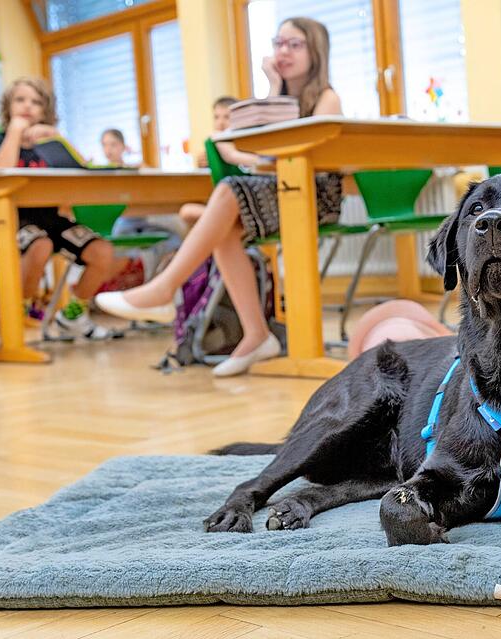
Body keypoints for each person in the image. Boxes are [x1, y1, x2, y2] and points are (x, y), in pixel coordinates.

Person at [98, 17, 343, 376]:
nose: (283, 51)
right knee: (226, 231)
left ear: (315, 52)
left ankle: (165, 289)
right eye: (279, 43)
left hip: (313, 195)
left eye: (295, 44)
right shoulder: (280, 97)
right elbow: (266, 153)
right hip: (281, 191)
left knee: (228, 191)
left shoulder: (326, 98)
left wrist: (240, 155)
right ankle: (257, 335)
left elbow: (289, 160)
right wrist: (273, 86)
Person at [0, 77, 116, 339]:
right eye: (20, 100)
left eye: (36, 102)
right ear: (8, 106)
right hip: (11, 220)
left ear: (46, 111)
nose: (27, 106)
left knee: (102, 251)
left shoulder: (50, 145)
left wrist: (56, 138)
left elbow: (80, 173)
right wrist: (14, 133)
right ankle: (15, 313)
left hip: (51, 219)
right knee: (40, 244)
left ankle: (73, 317)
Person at [181, 97, 263, 225]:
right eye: (216, 117)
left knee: (188, 212)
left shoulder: (239, 141)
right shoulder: (216, 139)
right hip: (229, 197)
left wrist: (264, 160)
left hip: (240, 200)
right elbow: (230, 157)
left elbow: (232, 156)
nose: (221, 122)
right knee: (188, 212)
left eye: (226, 117)